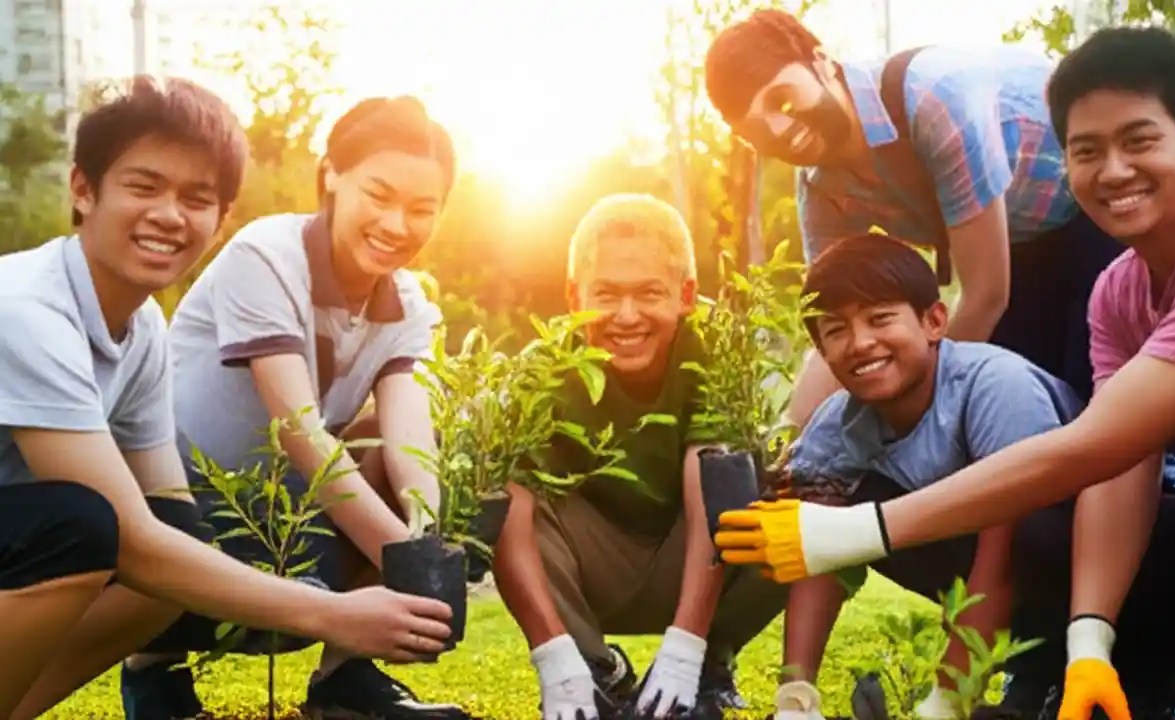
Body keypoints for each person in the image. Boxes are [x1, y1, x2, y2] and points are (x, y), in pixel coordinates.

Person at [714, 26, 1175, 720]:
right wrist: (1089, 643)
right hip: (1056, 284)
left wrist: (853, 528)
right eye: (1086, 151)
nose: (1113, 171)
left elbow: (1077, 426)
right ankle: (1096, 674)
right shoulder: (1122, 294)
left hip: (1062, 268)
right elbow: (1116, 464)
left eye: (1138, 141)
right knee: (1055, 513)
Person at [0, 76, 454, 720]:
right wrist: (339, 609)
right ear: (83, 188)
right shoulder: (26, 308)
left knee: (163, 532)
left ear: (220, 217)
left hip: (69, 532)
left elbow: (167, 519)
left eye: (196, 198)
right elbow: (133, 540)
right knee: (84, 524)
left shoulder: (143, 326)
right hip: (78, 527)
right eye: (144, 186)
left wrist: (422, 542)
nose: (169, 215)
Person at [118, 95, 468, 720]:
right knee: (270, 540)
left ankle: (345, 680)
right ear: (332, 173)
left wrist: (425, 540)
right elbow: (298, 433)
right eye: (379, 195)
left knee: (380, 444)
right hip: (182, 503)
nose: (396, 225)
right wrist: (406, 567)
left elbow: (411, 440)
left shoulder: (409, 305)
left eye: (422, 209)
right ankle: (153, 668)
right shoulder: (267, 256)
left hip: (284, 505)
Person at [703, 7, 1122, 415]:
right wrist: (791, 445)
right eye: (755, 131)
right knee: (1030, 412)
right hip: (1016, 245)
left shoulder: (932, 99)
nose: (779, 131)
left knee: (1101, 404)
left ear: (822, 62)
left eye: (784, 101)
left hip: (1096, 211)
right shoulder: (820, 190)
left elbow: (985, 296)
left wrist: (917, 418)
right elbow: (834, 325)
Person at [490, 194, 788, 720]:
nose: (626, 316)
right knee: (508, 496)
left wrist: (685, 648)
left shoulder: (714, 352)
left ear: (686, 295)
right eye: (605, 294)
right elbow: (508, 506)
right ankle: (587, 668)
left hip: (695, 558)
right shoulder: (543, 368)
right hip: (591, 567)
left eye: (650, 292)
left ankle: (708, 666)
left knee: (790, 501)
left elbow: (712, 490)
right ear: (572, 296)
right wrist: (551, 656)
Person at [764, 232, 1086, 719]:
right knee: (833, 507)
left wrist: (947, 704)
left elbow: (1006, 555)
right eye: (836, 330)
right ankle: (1036, 673)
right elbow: (818, 551)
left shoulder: (996, 386)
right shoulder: (840, 423)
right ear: (823, 355)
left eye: (879, 319)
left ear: (935, 321)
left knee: (1027, 531)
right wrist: (795, 697)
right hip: (999, 563)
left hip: (1115, 554)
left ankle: (1141, 669)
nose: (861, 342)